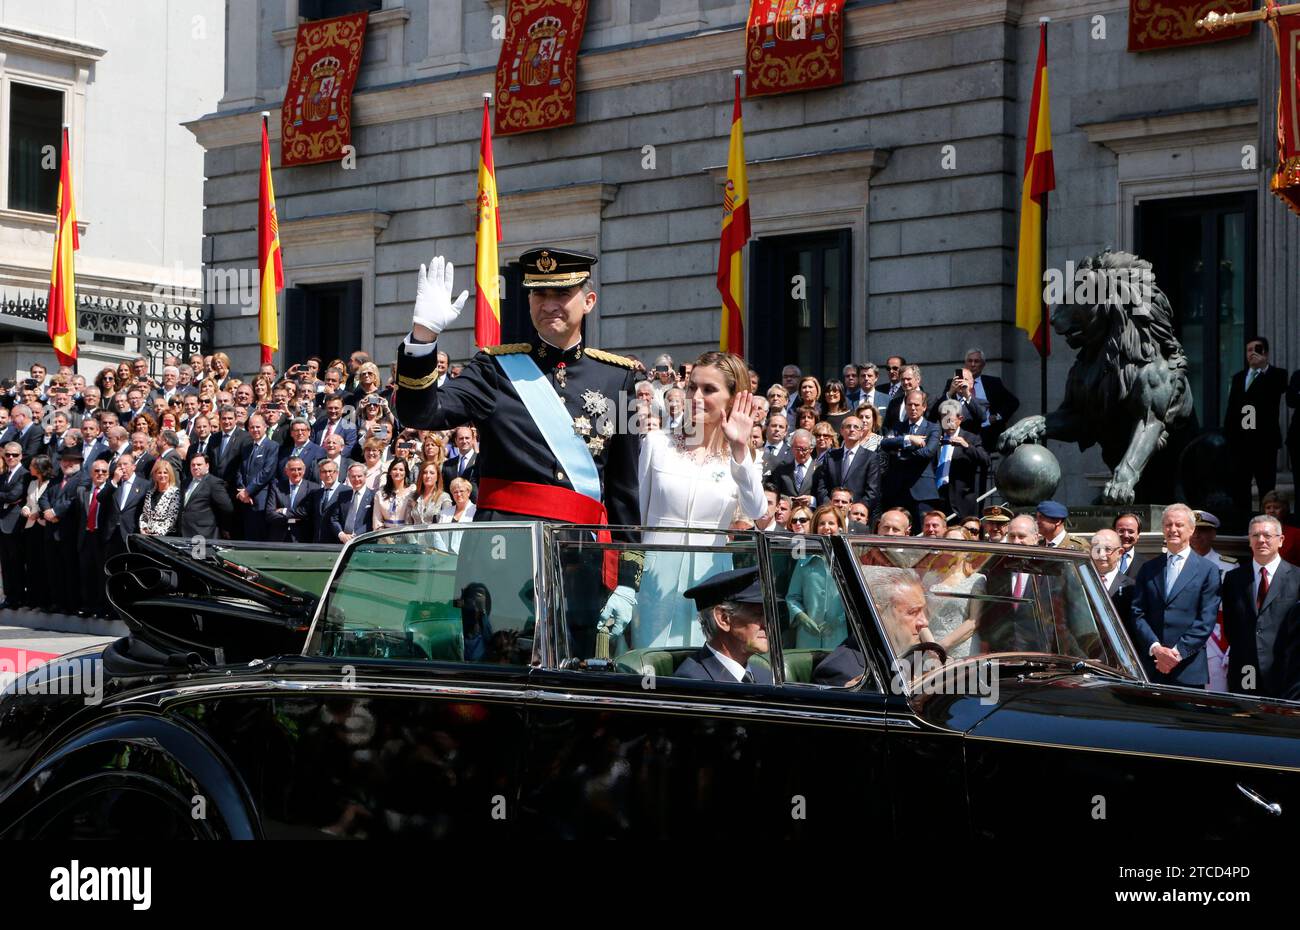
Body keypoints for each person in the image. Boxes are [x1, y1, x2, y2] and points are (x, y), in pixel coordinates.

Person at [393, 250, 642, 650]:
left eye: (562, 294)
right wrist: (422, 340)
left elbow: (623, 491)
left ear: (589, 301)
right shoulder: (495, 369)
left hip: (580, 560)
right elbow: (423, 411)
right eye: (538, 295)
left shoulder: (619, 378)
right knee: (496, 670)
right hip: (501, 554)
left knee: (577, 677)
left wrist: (629, 583)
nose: (549, 305)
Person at [614, 351, 765, 650]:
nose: (696, 396)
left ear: (733, 400)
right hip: (655, 582)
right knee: (652, 665)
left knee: (707, 667)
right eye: (692, 387)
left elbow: (756, 511)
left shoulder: (745, 457)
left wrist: (739, 450)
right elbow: (637, 519)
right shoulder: (657, 444)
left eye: (709, 390)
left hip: (712, 583)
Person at [1129, 503, 1221, 686]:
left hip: (1188, 668)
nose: (1173, 530)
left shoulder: (1208, 570)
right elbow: (1137, 613)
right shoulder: (1149, 568)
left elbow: (1206, 620)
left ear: (1191, 529)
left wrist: (1175, 655)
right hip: (1151, 666)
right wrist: (1156, 649)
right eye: (1168, 525)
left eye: (1179, 525)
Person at [1221, 514, 1299, 698]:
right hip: (1246, 670)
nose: (1261, 540)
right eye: (1255, 536)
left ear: (1281, 540)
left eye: (1267, 535)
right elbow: (1231, 626)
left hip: (1286, 671)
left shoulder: (1297, 578)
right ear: (1249, 540)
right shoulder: (1234, 579)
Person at [674, 567, 773, 684]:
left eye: (768, 616)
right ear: (723, 619)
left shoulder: (766, 677)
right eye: (758, 614)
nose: (767, 625)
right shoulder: (693, 683)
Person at [1224, 337, 1287, 512]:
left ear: (1265, 353)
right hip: (1241, 443)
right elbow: (1232, 410)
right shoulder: (1238, 378)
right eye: (1249, 350)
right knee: (1239, 487)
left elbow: (1276, 392)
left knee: (1266, 485)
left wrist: (1264, 369)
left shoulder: (1277, 375)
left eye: (1257, 349)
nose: (1252, 353)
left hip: (1264, 442)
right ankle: (1242, 525)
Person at [787, 505, 848, 650]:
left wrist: (837, 621)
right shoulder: (803, 558)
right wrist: (802, 617)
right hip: (807, 638)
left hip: (837, 638)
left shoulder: (847, 559)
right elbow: (792, 597)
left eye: (831, 523)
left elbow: (856, 602)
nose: (826, 527)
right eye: (822, 523)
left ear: (839, 527)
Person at [880, 389, 940, 528]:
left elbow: (928, 452)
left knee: (923, 533)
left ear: (924, 407)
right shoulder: (898, 427)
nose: (913, 408)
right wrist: (909, 439)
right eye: (909, 404)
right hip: (898, 490)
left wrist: (901, 453)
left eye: (917, 405)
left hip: (922, 492)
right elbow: (884, 443)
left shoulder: (933, 428)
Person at [923, 528, 986, 659]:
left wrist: (943, 645)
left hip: (962, 651)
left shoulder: (977, 579)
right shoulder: (928, 578)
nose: (952, 546)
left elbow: (974, 621)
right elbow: (920, 617)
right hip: (929, 648)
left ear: (968, 549)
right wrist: (932, 646)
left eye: (958, 542)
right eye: (949, 541)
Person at [812, 412, 882, 516]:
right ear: (841, 431)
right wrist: (830, 506)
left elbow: (872, 491)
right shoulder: (830, 456)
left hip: (856, 515)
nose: (852, 429)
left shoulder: (871, 457)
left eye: (856, 427)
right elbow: (822, 488)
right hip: (831, 513)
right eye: (848, 426)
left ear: (862, 432)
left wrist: (856, 509)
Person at [933, 399, 988, 521]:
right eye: (945, 420)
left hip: (961, 497)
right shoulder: (935, 437)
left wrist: (966, 446)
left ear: (960, 419)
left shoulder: (971, 438)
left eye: (951, 420)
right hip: (937, 496)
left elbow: (985, 461)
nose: (948, 425)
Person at [1090, 528, 1135, 632]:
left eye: (1107, 549)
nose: (1101, 555)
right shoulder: (1079, 581)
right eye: (1096, 549)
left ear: (1120, 553)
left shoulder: (1131, 588)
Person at [180, 452, 232, 542]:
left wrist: (223, 527)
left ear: (207, 466)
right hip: (184, 533)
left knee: (199, 557)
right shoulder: (185, 482)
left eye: (199, 464)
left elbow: (227, 508)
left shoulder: (214, 483)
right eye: (193, 465)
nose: (195, 467)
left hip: (204, 535)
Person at [265, 457, 318, 543]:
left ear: (304, 471)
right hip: (279, 537)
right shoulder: (277, 487)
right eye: (293, 469)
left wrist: (284, 511)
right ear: (286, 471)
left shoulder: (313, 488)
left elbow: (305, 513)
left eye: (299, 469)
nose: (296, 473)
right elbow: (270, 514)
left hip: (302, 538)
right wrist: (291, 520)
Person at [771, 428, 818, 511]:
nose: (800, 453)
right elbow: (774, 493)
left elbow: (824, 495)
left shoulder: (819, 469)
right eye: (797, 449)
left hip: (810, 515)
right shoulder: (782, 469)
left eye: (804, 449)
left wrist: (812, 501)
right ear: (792, 448)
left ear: (811, 449)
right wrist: (787, 500)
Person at [138, 460, 182, 537]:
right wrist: (143, 528)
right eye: (159, 472)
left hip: (164, 537)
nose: (162, 475)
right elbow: (144, 515)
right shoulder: (150, 493)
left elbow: (171, 519)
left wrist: (157, 533)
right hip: (147, 536)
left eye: (165, 472)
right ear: (155, 475)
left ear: (170, 475)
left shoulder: (175, 493)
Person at [308, 459, 347, 543]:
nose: (327, 474)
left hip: (337, 542)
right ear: (320, 475)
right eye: (324, 472)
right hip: (318, 541)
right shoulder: (316, 493)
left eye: (330, 471)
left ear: (336, 473)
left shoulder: (347, 492)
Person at [335, 463, 376, 543]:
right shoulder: (343, 495)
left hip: (363, 541)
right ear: (349, 478)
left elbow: (372, 521)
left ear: (365, 476)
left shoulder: (373, 496)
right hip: (342, 542)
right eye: (353, 476)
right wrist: (341, 534)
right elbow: (334, 518)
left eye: (359, 476)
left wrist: (355, 535)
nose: (356, 479)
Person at [373, 458, 415, 529]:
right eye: (394, 469)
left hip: (407, 533)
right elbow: (377, 521)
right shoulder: (380, 494)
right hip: (386, 534)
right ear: (390, 472)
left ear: (406, 473)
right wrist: (386, 539)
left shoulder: (412, 491)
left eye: (401, 470)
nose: (397, 472)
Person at [410, 459, 451, 525]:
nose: (428, 476)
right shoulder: (413, 496)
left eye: (432, 473)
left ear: (437, 477)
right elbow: (407, 523)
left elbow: (446, 524)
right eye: (425, 472)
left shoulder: (444, 497)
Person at [1113, 511, 1142, 575]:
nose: (1126, 535)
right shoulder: (1102, 560)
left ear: (1138, 535)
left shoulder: (1146, 564)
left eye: (1131, 532)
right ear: (1113, 532)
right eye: (1121, 531)